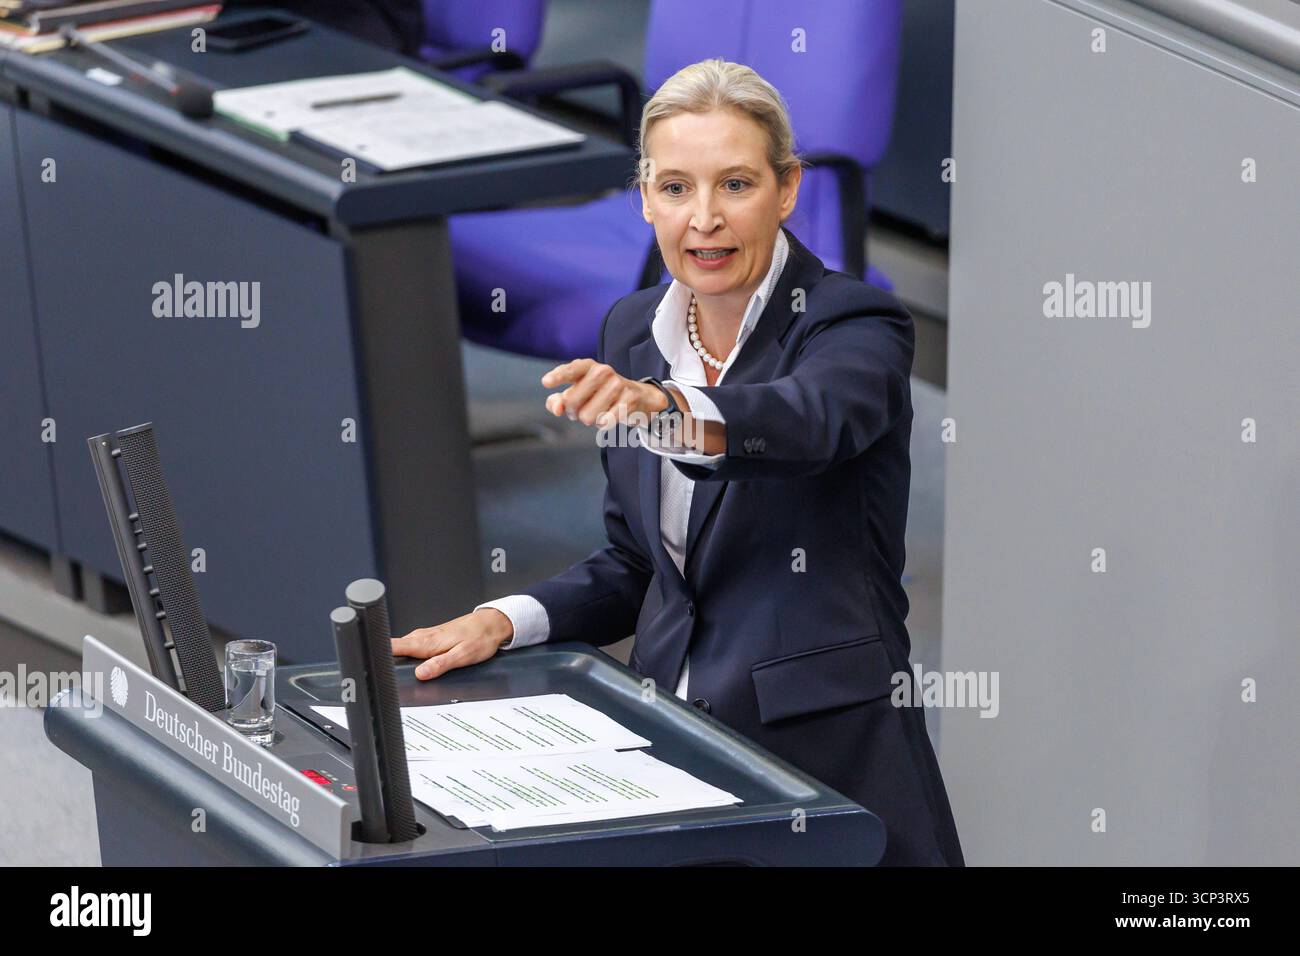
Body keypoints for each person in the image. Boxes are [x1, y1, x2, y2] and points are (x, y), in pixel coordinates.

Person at [393, 58, 964, 866]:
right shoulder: (631, 332)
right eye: (675, 188)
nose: (704, 220)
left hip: (827, 759)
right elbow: (639, 564)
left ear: (788, 188)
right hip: (668, 749)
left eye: (735, 185)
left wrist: (669, 406)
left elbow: (805, 423)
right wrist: (506, 620)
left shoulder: (856, 324)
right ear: (644, 195)